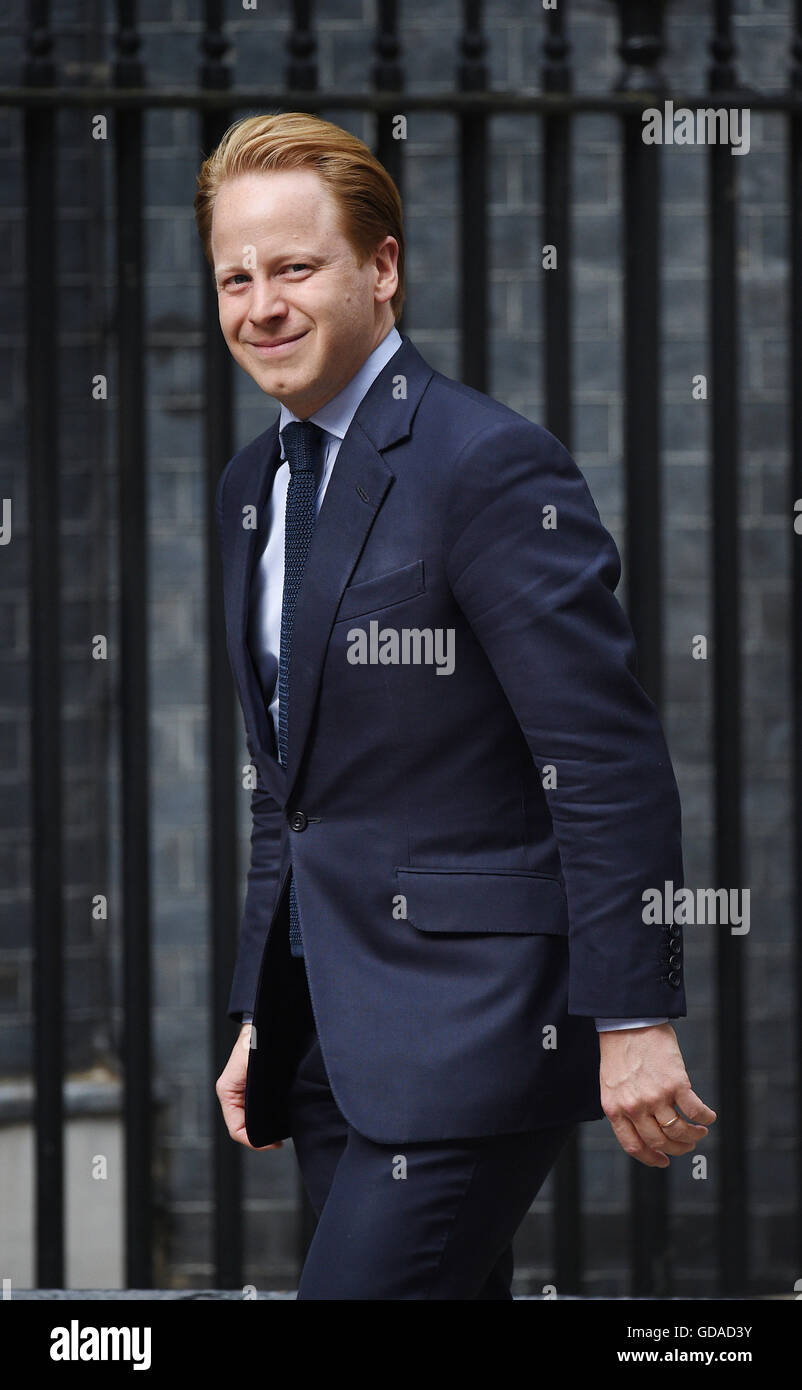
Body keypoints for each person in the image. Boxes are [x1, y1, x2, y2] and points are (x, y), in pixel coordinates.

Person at [195, 111, 716, 1300]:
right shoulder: (251, 486)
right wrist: (258, 1011)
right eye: (235, 277)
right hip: (329, 1037)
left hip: (475, 1029)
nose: (260, 304)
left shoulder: (486, 465)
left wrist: (632, 1014)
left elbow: (602, 755)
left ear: (381, 269)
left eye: (293, 267)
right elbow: (293, 788)